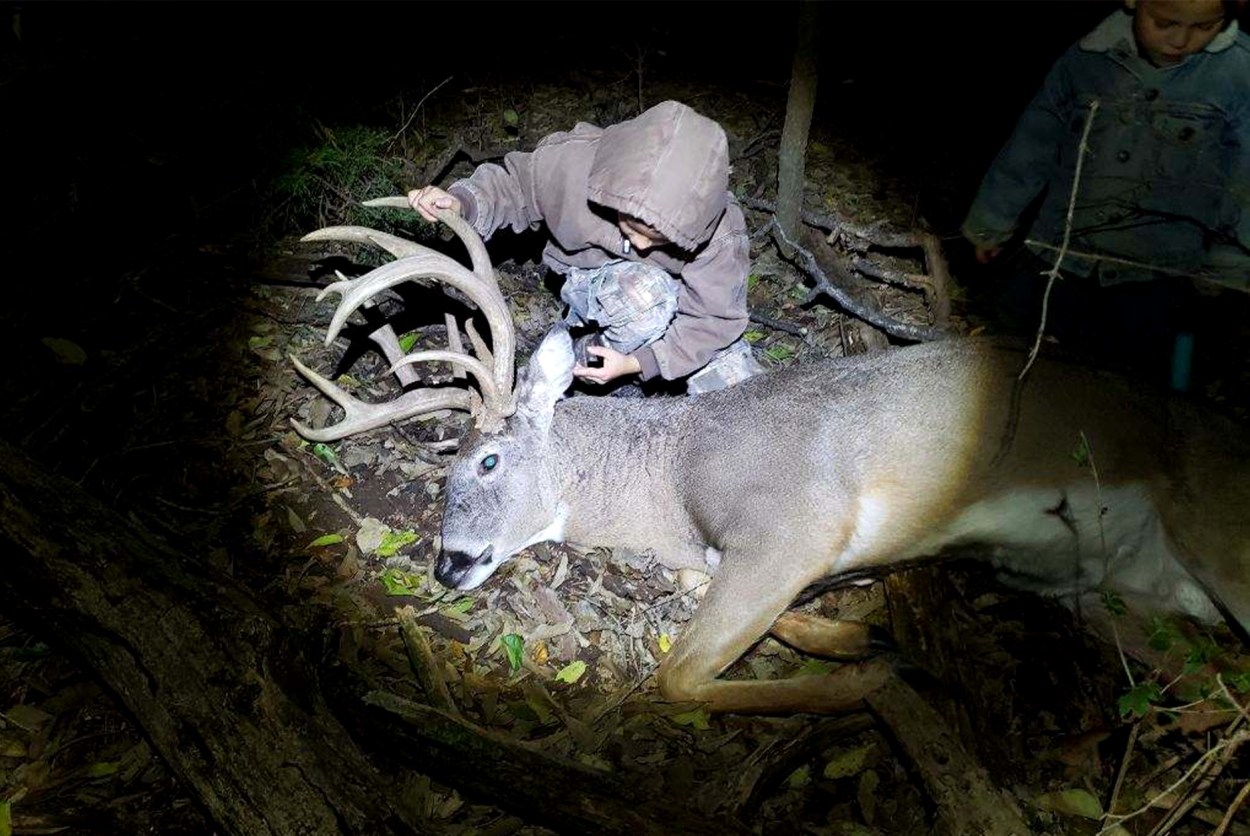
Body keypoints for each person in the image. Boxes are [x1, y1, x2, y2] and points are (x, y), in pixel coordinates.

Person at [962, 0, 1250, 389]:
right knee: (1008, 360)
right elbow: (1033, 144)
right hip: (1059, 255)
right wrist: (992, 221)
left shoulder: (1238, 73)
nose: (1180, 40)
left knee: (1126, 386)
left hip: (1158, 273)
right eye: (1164, 22)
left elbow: (1243, 179)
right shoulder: (1085, 60)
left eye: (1204, 27)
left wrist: (1228, 266)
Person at [408, 100, 765, 395]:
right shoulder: (571, 164)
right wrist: (462, 204)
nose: (640, 244)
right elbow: (513, 186)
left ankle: (621, 374)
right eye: (632, 226)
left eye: (658, 239)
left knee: (738, 388)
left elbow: (713, 319)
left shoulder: (720, 232)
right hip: (600, 283)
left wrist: (640, 363)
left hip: (680, 305)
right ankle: (585, 355)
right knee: (643, 294)